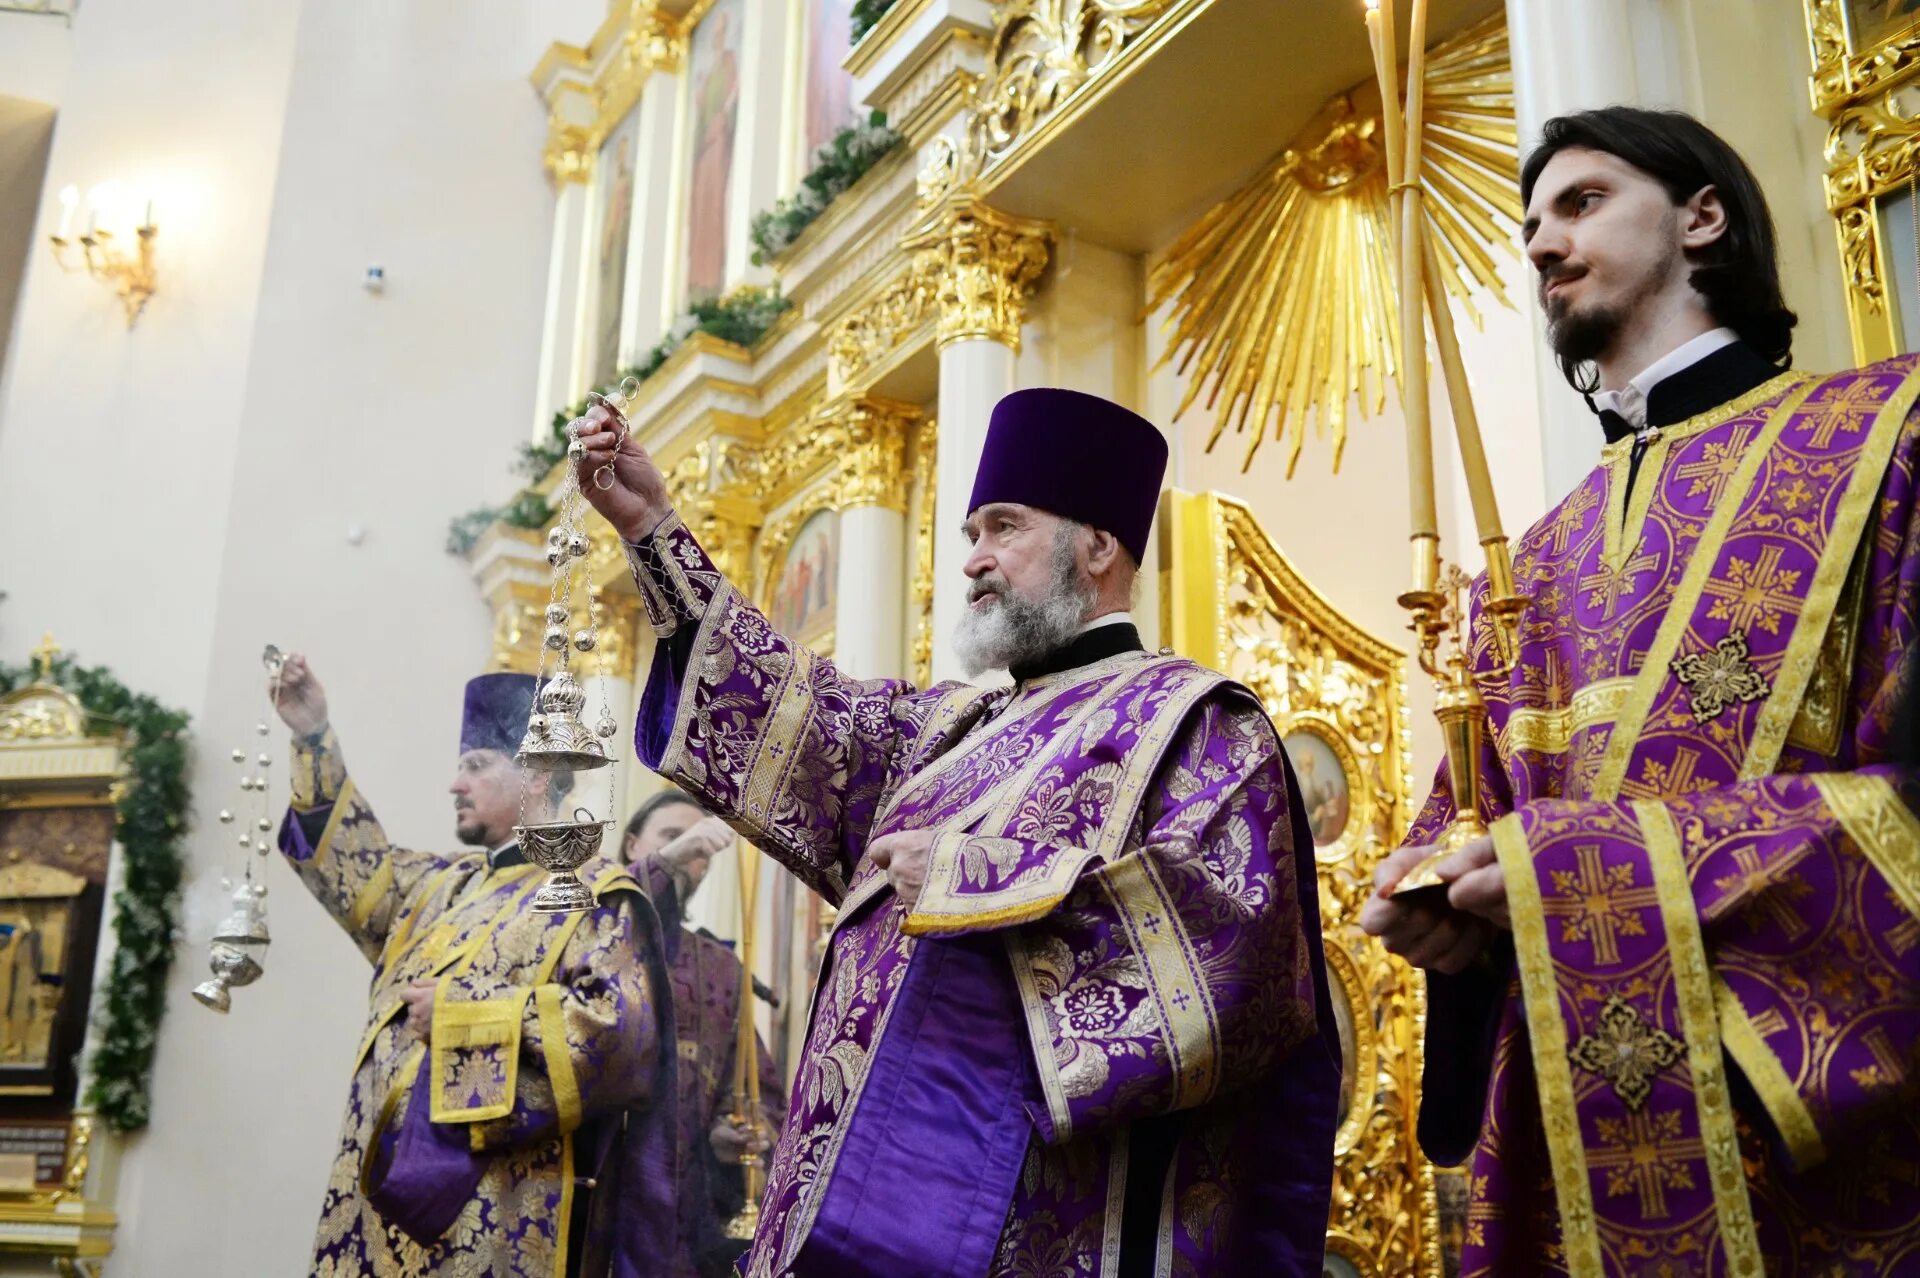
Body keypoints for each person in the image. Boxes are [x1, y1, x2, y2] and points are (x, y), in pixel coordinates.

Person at [572, 385, 1341, 1277]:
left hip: (1041, 1232)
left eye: (1004, 527)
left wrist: (977, 876)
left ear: (1097, 545)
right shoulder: (951, 731)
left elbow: (1237, 955)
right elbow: (797, 721)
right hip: (847, 1225)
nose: (972, 558)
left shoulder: (1198, 722)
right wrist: (655, 531)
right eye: (969, 533)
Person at [1360, 106, 1920, 1275]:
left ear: (1702, 216)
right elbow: (1478, 817)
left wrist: (1577, 870)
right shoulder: (1530, 563)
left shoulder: (1889, 432)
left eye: (1581, 202)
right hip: (1573, 1151)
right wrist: (1439, 907)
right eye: (1528, 225)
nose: (1543, 245)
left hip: (1818, 1155)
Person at [271, 657, 677, 1277]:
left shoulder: (594, 893)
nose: (454, 785)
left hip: (499, 1220)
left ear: (539, 775)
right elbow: (350, 869)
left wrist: (467, 1018)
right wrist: (311, 735)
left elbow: (618, 1042)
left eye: (476, 765)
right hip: (375, 1220)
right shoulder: (439, 888)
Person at [621, 788, 789, 1278]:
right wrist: (667, 861)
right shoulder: (590, 925)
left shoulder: (719, 969)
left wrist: (729, 1134)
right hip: (592, 1201)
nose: (691, 855)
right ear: (634, 846)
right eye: (673, 838)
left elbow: (763, 1093)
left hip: (681, 1216)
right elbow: (596, 920)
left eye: (700, 851)